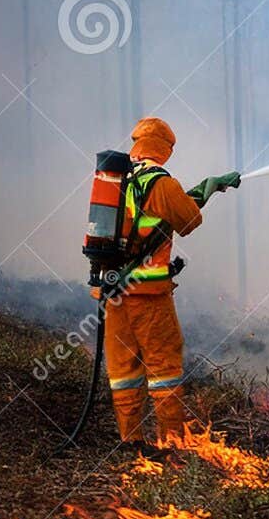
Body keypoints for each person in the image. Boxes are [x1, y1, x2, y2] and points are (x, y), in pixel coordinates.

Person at [100, 116, 239, 449]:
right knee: (164, 366)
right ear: (164, 149)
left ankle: (131, 441)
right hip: (146, 293)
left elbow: (158, 214)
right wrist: (202, 193)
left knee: (123, 368)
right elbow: (188, 219)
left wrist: (208, 187)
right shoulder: (160, 181)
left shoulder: (116, 178)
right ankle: (172, 443)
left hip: (112, 290)